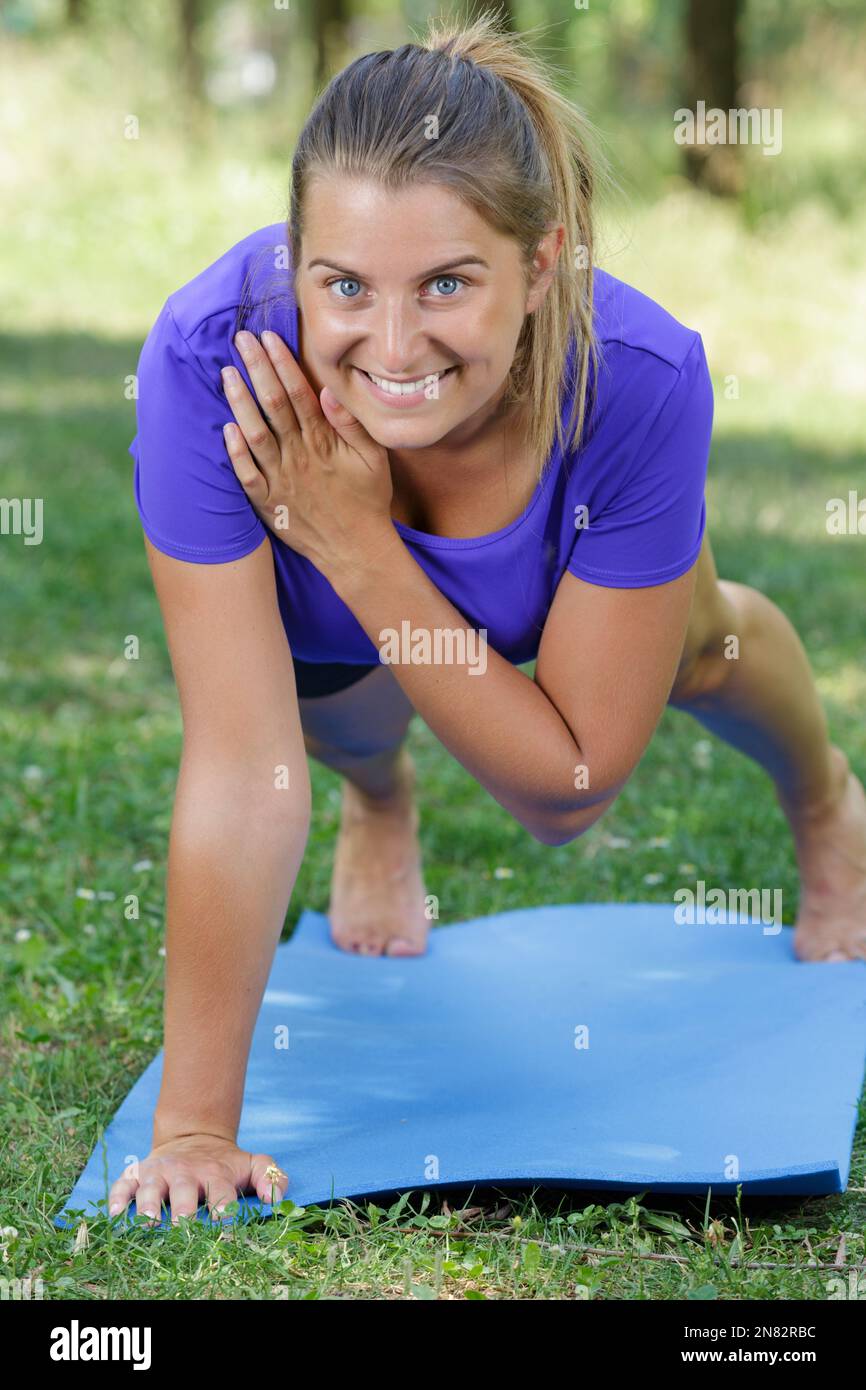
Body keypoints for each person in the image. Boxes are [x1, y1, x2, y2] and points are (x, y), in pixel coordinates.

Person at [110, 14, 866, 1227]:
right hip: (332, 620)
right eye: (342, 284)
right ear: (290, 257)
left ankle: (828, 803)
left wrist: (361, 542)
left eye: (449, 283)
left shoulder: (635, 377)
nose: (393, 346)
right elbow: (244, 761)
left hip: (502, 577)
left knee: (704, 645)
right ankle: (380, 795)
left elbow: (563, 792)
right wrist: (196, 1128)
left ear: (542, 262)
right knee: (326, 698)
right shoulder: (214, 367)